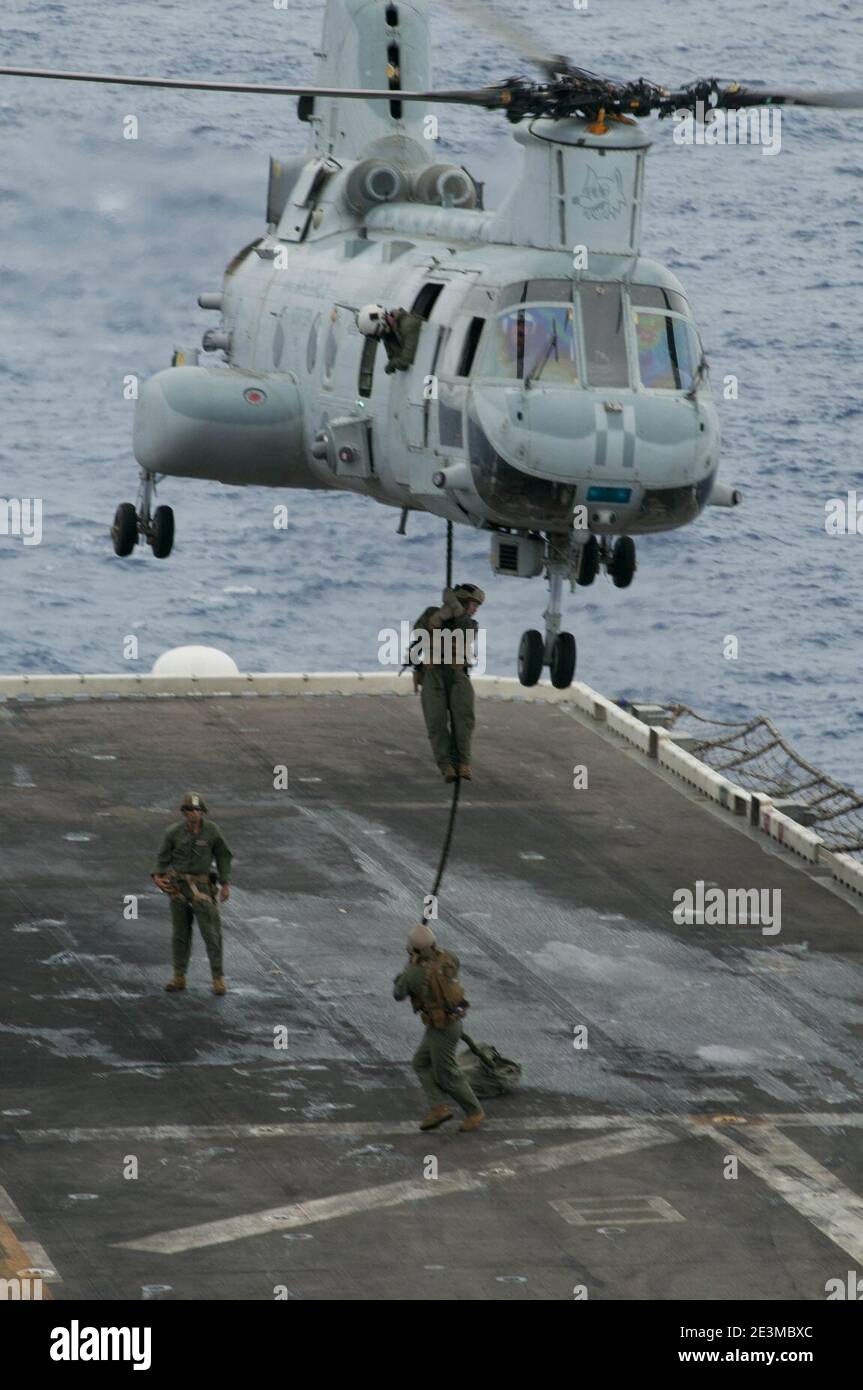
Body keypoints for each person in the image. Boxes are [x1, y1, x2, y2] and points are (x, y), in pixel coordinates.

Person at [393, 923, 484, 1132]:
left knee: (446, 1073)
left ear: (414, 949)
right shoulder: (449, 957)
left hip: (442, 1028)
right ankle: (438, 1107)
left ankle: (474, 1111)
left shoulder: (413, 974)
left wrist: (406, 969)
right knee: (421, 1063)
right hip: (449, 1022)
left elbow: (398, 994)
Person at [152, 792, 232, 996]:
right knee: (180, 934)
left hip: (203, 888)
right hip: (178, 888)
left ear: (202, 811)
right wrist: (157, 876)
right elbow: (162, 857)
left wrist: (225, 883)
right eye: (189, 810)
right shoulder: (173, 832)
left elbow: (223, 855)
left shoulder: (212, 831)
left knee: (211, 933)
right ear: (184, 812)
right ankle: (179, 976)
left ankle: (218, 979)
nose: (193, 813)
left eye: (197, 809)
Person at [411, 582, 485, 782]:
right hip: (432, 672)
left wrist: (457, 611)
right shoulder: (432, 613)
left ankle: (463, 763)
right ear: (464, 600)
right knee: (436, 722)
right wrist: (441, 615)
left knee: (464, 720)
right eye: (473, 604)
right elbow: (419, 633)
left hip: (457, 673)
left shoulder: (469, 623)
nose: (475, 609)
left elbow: (466, 634)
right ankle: (446, 766)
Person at [357, 302, 422, 373]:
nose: (380, 335)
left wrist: (391, 364)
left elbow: (406, 360)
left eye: (379, 333)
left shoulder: (409, 325)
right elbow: (392, 357)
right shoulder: (389, 334)